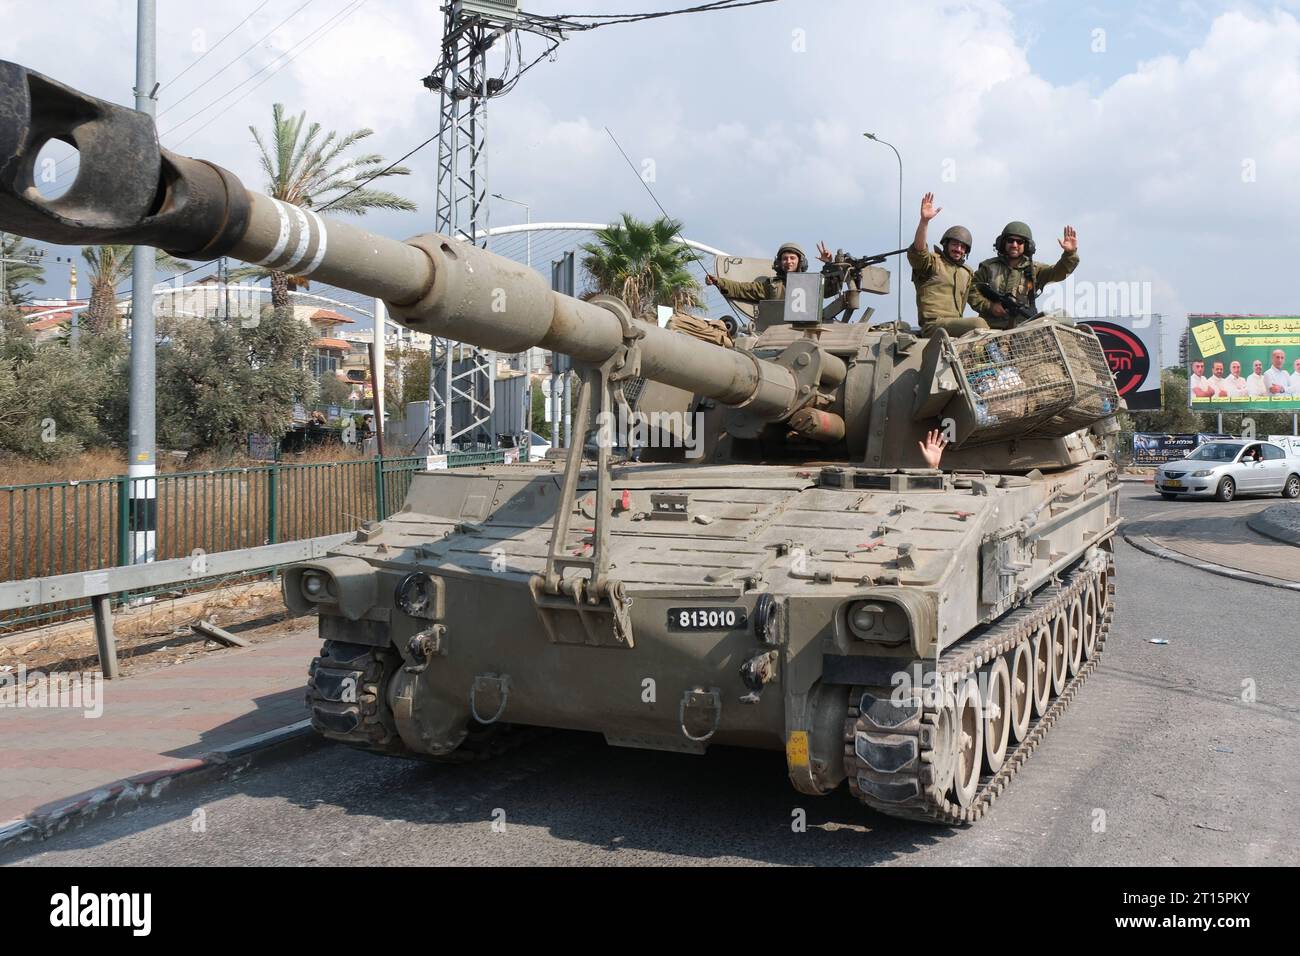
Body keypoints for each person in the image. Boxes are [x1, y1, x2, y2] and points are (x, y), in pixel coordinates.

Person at [967, 221, 1080, 329]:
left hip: (1022, 331)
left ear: (1027, 246)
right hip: (990, 328)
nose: (1014, 245)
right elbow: (971, 290)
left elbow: (1058, 273)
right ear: (1003, 243)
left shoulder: (1035, 270)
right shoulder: (989, 267)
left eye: (1019, 242)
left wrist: (1069, 254)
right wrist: (990, 307)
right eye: (1010, 241)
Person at [907, 192, 982, 337]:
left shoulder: (966, 272)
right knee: (978, 325)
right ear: (946, 244)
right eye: (955, 244)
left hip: (955, 327)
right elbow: (918, 252)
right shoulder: (933, 263)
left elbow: (974, 298)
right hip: (933, 326)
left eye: (963, 247)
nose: (958, 249)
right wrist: (924, 222)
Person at [706, 241, 839, 302]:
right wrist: (719, 281)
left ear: (801, 262)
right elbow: (743, 289)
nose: (789, 262)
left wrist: (829, 264)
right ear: (779, 263)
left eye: (793, 258)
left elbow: (830, 289)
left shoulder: (810, 283)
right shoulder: (772, 286)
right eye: (785, 259)